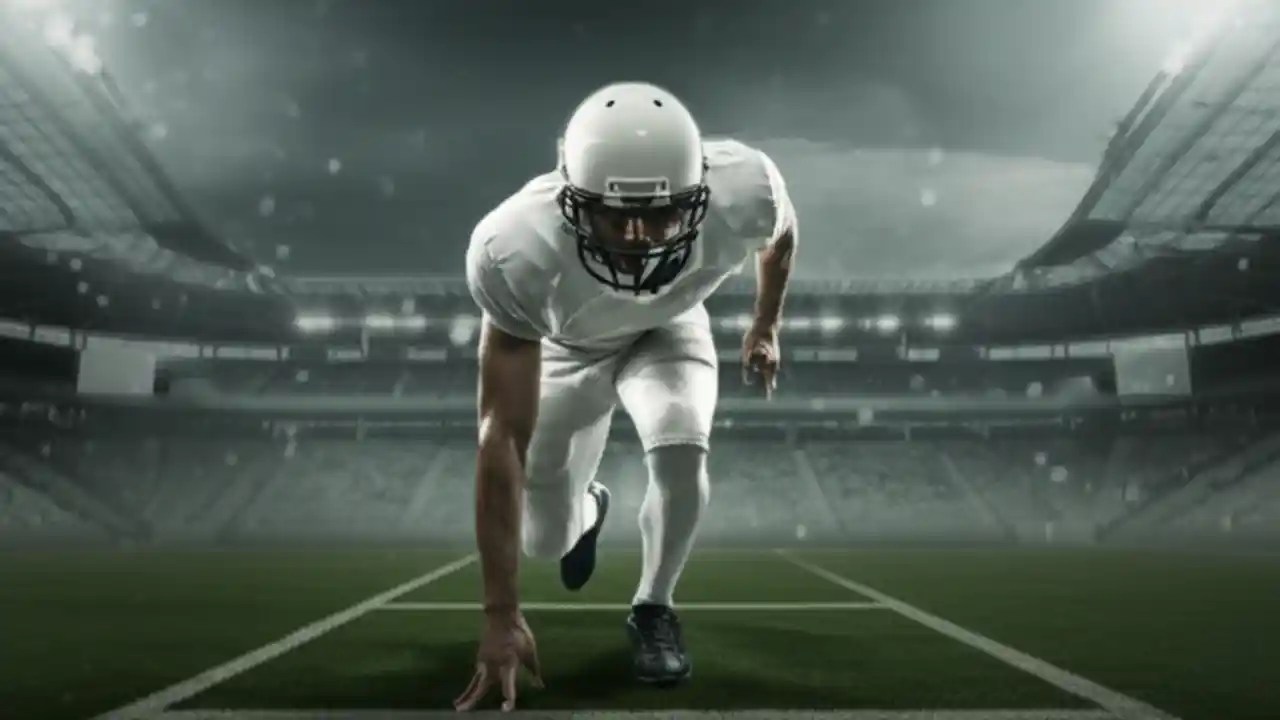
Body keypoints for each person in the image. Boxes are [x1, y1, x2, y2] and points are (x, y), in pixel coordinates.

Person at [454, 81, 797, 712]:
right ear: (571, 202)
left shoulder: (746, 188)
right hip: (567, 350)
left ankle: (653, 606)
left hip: (670, 325)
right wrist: (501, 612)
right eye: (617, 214)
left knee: (680, 444)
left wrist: (764, 324)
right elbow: (500, 433)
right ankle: (588, 509)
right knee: (544, 541)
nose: (639, 237)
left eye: (662, 212)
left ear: (699, 195)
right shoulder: (513, 250)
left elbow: (779, 238)